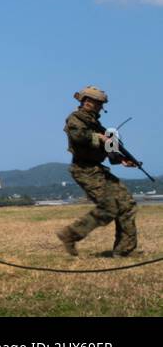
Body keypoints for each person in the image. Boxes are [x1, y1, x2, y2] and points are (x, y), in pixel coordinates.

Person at [57, 86, 139, 257]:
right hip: (84, 169)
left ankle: (124, 250)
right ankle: (70, 235)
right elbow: (78, 137)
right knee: (109, 208)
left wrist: (122, 159)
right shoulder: (76, 119)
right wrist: (100, 138)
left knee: (127, 204)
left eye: (94, 101)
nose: (89, 102)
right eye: (87, 99)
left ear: (100, 105)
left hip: (98, 169)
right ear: (81, 101)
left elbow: (109, 148)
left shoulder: (97, 125)